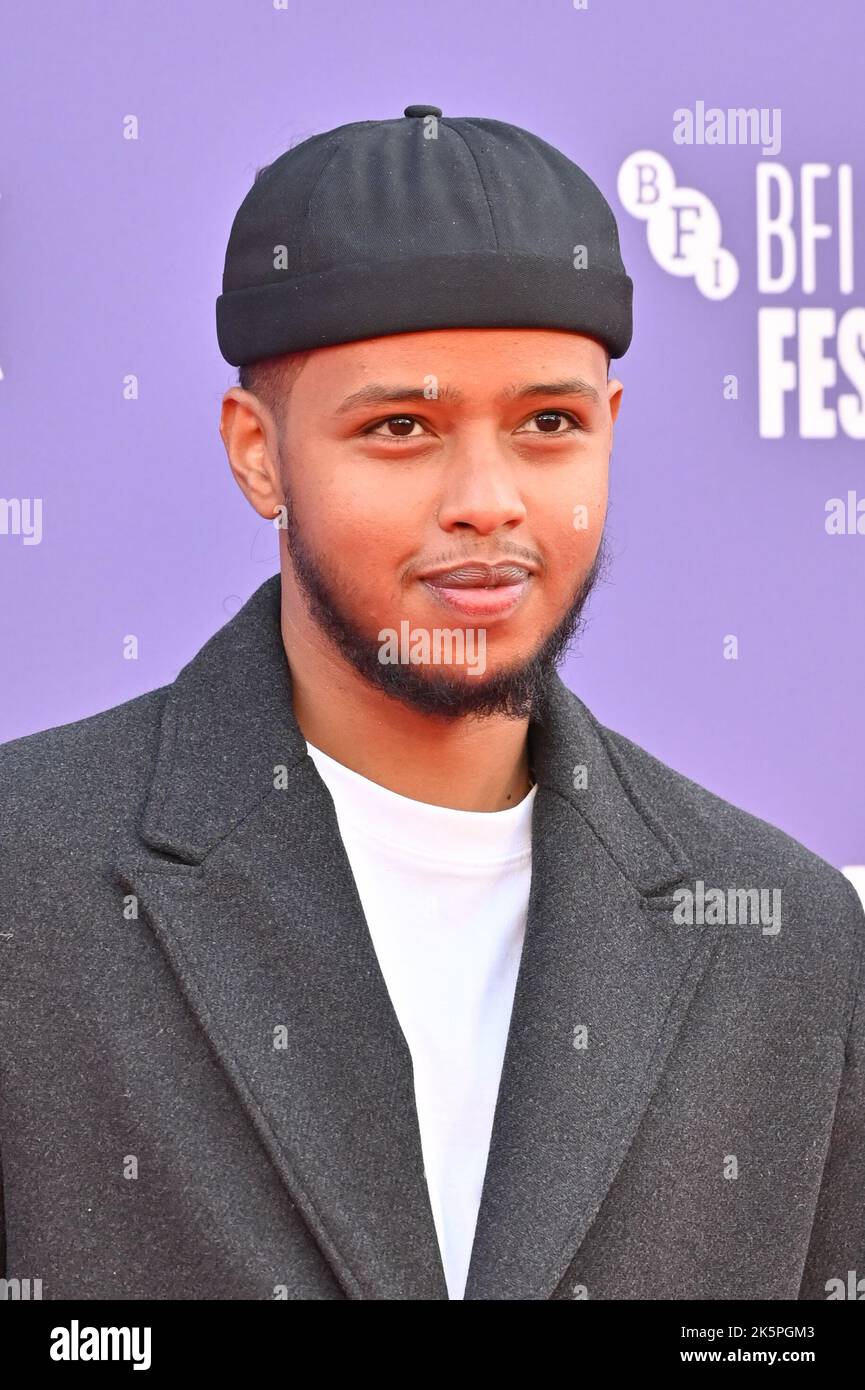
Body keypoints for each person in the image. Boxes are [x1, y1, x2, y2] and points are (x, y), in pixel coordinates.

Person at [0, 106, 862, 1302]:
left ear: (611, 434)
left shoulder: (790, 935)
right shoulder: (23, 875)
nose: (487, 501)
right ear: (258, 453)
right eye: (401, 427)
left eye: (547, 424)